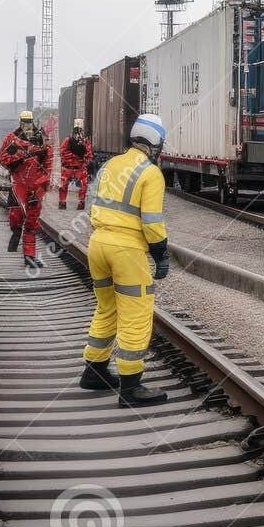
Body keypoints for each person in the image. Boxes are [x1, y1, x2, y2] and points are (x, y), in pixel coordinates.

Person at [78, 113, 171, 407]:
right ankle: (131, 388)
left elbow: (93, 204)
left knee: (107, 308)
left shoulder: (110, 165)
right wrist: (160, 253)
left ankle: (94, 372)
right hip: (126, 250)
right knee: (136, 313)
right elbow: (152, 222)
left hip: (98, 244)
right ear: (155, 142)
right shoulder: (150, 173)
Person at [0, 110, 51, 269]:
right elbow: (2, 159)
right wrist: (20, 154)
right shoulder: (11, 138)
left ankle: (29, 257)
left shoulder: (42, 139)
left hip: (35, 187)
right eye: (24, 121)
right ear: (20, 121)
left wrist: (42, 185)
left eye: (29, 121)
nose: (27, 124)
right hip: (18, 185)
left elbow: (48, 164)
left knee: (32, 223)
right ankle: (15, 234)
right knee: (15, 216)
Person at [58, 119, 92, 210]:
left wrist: (83, 158)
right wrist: (75, 156)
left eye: (80, 130)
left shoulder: (85, 142)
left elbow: (89, 155)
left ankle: (81, 202)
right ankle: (62, 201)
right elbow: (62, 152)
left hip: (79, 168)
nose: (78, 132)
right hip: (69, 167)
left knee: (84, 185)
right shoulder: (68, 140)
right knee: (63, 185)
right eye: (77, 130)